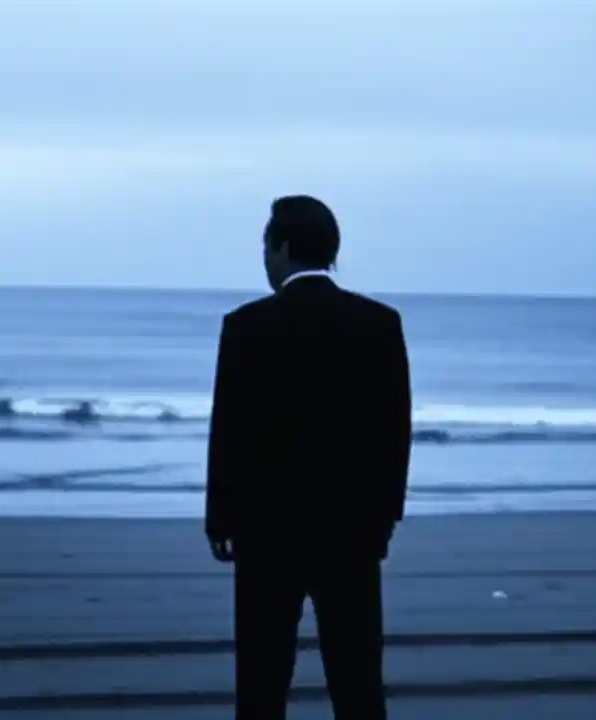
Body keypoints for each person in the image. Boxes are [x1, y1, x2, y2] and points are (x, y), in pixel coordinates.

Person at [205, 195, 412, 719]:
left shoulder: (246, 326)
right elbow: (394, 433)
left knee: (261, 683)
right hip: (351, 532)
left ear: (284, 247)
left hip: (265, 532)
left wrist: (220, 520)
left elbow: (228, 431)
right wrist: (385, 519)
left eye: (267, 247)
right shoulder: (378, 324)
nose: (265, 260)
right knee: (358, 682)